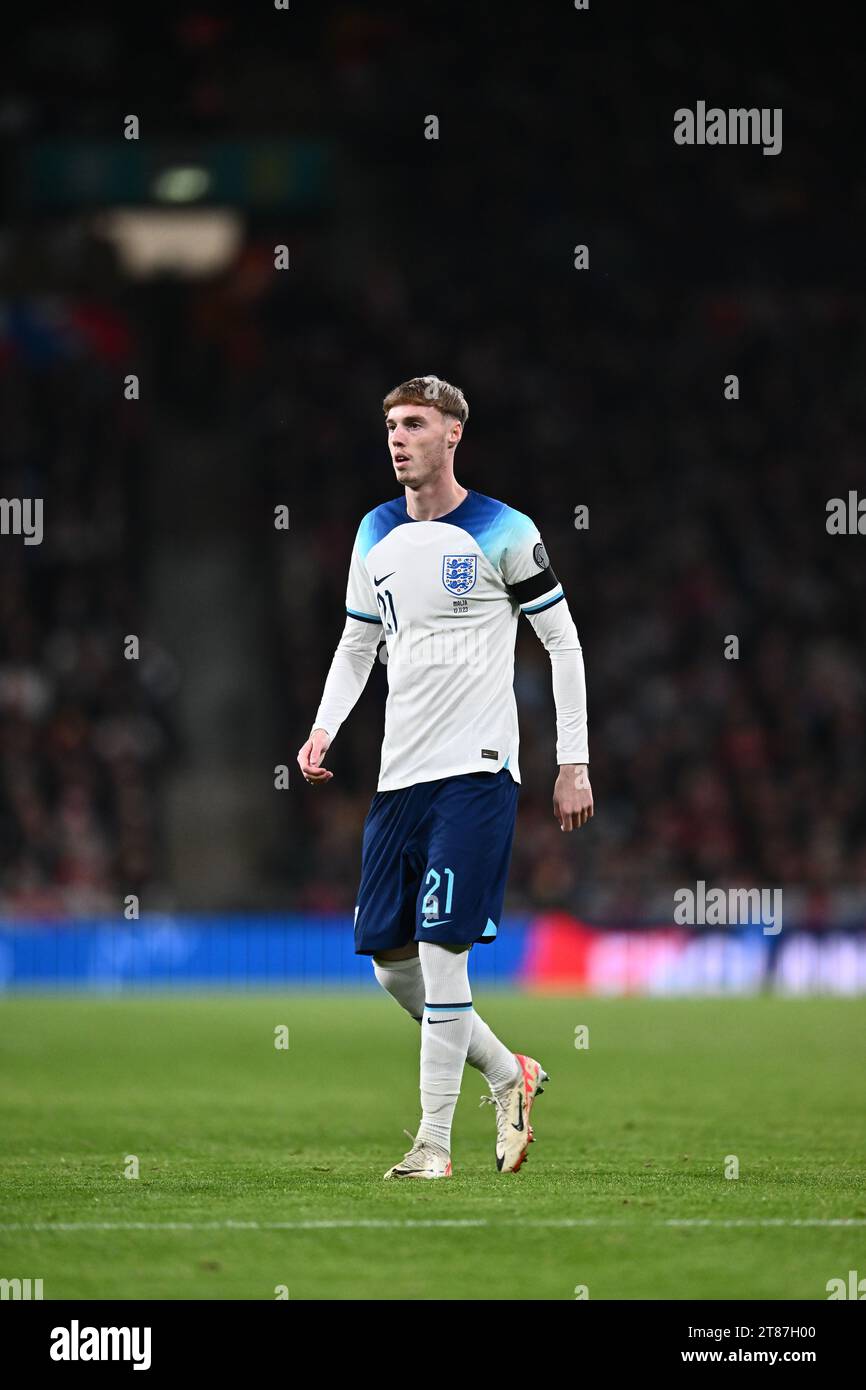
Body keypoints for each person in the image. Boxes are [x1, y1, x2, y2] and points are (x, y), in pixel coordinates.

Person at [297, 375, 593, 1178]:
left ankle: (432, 1146)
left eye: (415, 423)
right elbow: (358, 644)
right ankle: (509, 1073)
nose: (398, 437)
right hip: (400, 779)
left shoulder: (503, 530)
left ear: (453, 433)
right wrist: (325, 727)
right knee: (391, 965)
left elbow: (562, 644)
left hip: (477, 772)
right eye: (391, 424)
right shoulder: (374, 533)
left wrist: (574, 760)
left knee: (440, 952)